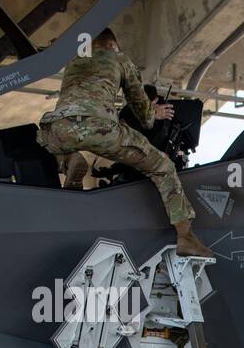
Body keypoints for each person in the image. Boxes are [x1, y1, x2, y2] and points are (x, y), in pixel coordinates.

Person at [37, 27, 215, 257]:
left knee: (44, 140)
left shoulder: (75, 58)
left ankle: (69, 159)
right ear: (112, 45)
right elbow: (144, 114)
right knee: (163, 167)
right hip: (99, 127)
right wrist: (156, 112)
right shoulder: (119, 59)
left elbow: (51, 50)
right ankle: (186, 237)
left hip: (56, 128)